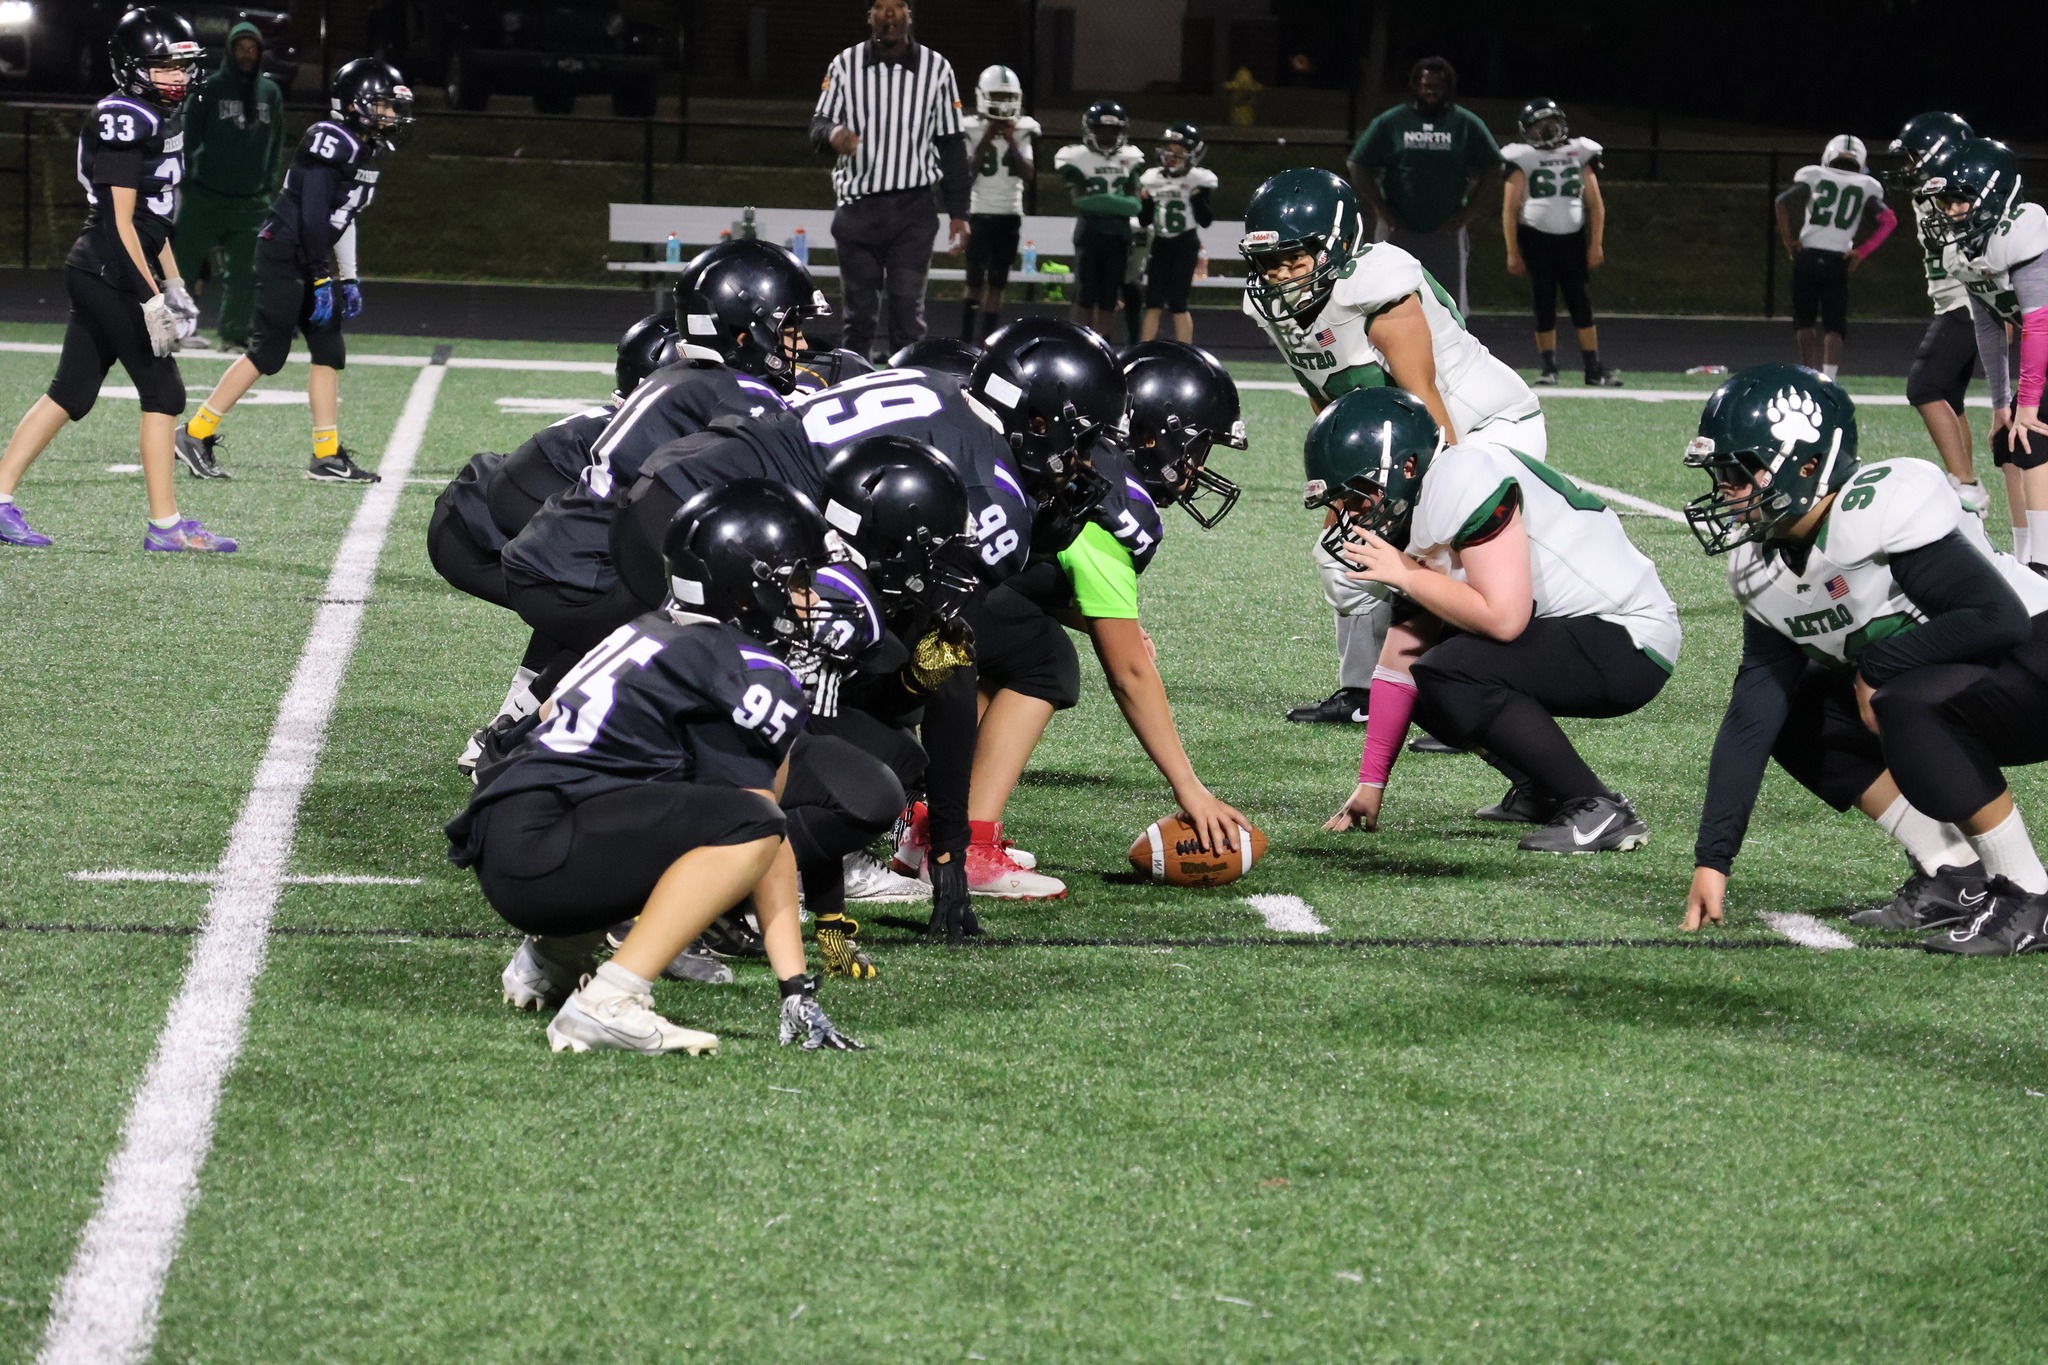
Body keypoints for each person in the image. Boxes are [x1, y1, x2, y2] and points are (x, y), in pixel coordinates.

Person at [450, 480, 865, 1053]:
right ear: (751, 587)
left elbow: (548, 720)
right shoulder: (746, 669)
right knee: (747, 822)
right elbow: (764, 826)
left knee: (681, 797)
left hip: (509, 830)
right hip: (547, 852)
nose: (810, 600)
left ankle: (553, 957)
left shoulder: (647, 629)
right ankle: (611, 1000)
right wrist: (793, 984)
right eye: (797, 583)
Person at [1678, 364, 2048, 955]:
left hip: (2032, 656)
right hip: (1959, 688)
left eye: (1738, 472)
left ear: (1806, 465)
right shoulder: (1759, 567)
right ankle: (1950, 871)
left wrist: (1877, 670)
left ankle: (2030, 895)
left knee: (1903, 697)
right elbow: (1753, 711)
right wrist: (1713, 858)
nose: (1725, 490)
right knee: (1793, 713)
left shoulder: (1879, 506)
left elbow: (1994, 618)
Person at [1237, 167, 1544, 726]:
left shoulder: (1379, 286)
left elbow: (1426, 401)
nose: (1281, 277)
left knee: (1446, 551)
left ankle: (1473, 695)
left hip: (1482, 425)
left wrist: (1431, 511)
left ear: (1340, 246)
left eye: (1296, 260)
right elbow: (1329, 398)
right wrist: (1342, 492)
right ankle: (1363, 691)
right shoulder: (1276, 307)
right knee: (1346, 549)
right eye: (1269, 263)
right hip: (1400, 433)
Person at [1310, 387, 1678, 851]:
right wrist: (1371, 784)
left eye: (1357, 496)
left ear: (1405, 467)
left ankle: (1597, 806)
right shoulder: (1421, 501)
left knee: (1449, 669)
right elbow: (1400, 661)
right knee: (1425, 676)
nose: (1348, 515)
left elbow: (1505, 619)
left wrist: (1405, 573)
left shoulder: (1462, 477)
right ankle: (1543, 788)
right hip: (1583, 632)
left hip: (1628, 638)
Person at [0, 8, 235, 554]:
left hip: (108, 266)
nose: (177, 77)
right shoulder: (124, 117)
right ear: (132, 67)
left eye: (181, 66)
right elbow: (119, 222)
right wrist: (152, 295)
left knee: (72, 391)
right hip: (109, 269)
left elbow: (156, 218)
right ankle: (166, 526)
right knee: (164, 390)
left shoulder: (159, 114)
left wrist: (174, 279)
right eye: (162, 67)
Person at [428, 314, 680, 774]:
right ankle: (508, 736)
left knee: (592, 590)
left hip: (478, 517)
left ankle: (513, 718)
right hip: (479, 534)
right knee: (633, 606)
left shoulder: (642, 420)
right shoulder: (658, 435)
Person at [175, 58, 414, 484]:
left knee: (329, 351)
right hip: (286, 252)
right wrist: (322, 275)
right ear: (356, 104)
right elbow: (312, 214)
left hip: (313, 255)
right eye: (381, 105)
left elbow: (343, 216)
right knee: (268, 352)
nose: (390, 115)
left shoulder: (366, 148)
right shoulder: (330, 139)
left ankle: (326, 455)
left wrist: (350, 275)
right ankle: (195, 433)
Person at [810, 0, 970, 359]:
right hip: (858, 209)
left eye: (898, 6)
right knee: (859, 319)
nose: (889, 15)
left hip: (912, 209)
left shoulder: (937, 68)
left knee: (907, 315)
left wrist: (959, 212)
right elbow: (817, 125)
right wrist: (834, 134)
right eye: (880, 6)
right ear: (869, 15)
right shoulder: (844, 64)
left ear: (910, 15)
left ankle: (909, 398)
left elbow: (951, 144)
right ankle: (852, 398)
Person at [1919, 138, 2048, 572]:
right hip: (2041, 344)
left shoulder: (2025, 230)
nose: (1952, 211)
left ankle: (2044, 564)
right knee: (2008, 442)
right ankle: (2024, 557)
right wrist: (2001, 406)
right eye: (1948, 202)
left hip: (2044, 335)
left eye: (1961, 200)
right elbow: (1990, 326)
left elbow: (2038, 323)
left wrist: (2027, 405)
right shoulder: (1964, 252)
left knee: (2033, 436)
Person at [1346, 57, 1499, 316]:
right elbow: (1357, 164)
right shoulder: (1392, 121)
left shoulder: (1465, 123)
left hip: (1445, 228)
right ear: (1415, 86)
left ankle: (1449, 356)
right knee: (1387, 301)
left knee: (1448, 306)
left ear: (1448, 88)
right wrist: (1380, 208)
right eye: (1426, 85)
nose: (1431, 92)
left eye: (1438, 87)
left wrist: (1468, 212)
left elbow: (1494, 167)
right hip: (1398, 227)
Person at [1889, 112, 1986, 519]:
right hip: (1954, 302)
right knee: (1948, 396)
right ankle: (1969, 485)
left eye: (1913, 158)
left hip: (1969, 301)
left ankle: (1964, 486)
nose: (1907, 168)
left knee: (1924, 386)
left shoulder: (1966, 191)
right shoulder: (1927, 194)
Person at [172, 19, 285, 353]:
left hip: (251, 202)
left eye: (252, 49)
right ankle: (174, 331)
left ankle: (234, 334)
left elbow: (276, 143)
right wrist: (189, 179)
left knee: (246, 274)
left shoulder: (270, 93)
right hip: (204, 196)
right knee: (182, 266)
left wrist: (269, 185)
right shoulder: (208, 89)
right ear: (230, 51)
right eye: (241, 48)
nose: (247, 54)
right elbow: (187, 137)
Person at [1499, 98, 1619, 387]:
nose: (1547, 131)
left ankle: (1593, 367)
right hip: (1536, 239)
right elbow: (1510, 207)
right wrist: (1512, 250)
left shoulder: (1579, 152)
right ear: (1527, 130)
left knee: (1581, 303)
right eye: (1539, 126)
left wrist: (1596, 243)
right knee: (1544, 302)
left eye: (1551, 124)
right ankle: (1549, 367)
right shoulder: (1522, 156)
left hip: (1572, 239)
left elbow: (1595, 204)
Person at [1775, 135, 1894, 380]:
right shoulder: (1867, 185)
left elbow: (1782, 201)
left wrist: (1788, 240)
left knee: (1804, 321)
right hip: (1837, 259)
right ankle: (1829, 379)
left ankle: (1809, 374)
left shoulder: (1814, 175)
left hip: (1807, 255)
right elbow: (1889, 221)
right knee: (1834, 325)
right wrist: (1862, 252)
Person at [959, 64, 1038, 344]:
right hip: (980, 212)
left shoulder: (1022, 130)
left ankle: (986, 341)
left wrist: (1010, 140)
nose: (1003, 104)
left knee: (997, 283)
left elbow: (1028, 174)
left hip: (1009, 213)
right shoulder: (971, 128)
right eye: (997, 96)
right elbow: (968, 173)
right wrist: (990, 135)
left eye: (1007, 98)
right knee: (973, 281)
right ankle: (966, 339)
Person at [1054, 101, 1145, 340]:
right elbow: (1080, 200)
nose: (1106, 136)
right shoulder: (1077, 157)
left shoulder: (1130, 158)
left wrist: (1099, 201)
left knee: (1109, 297)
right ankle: (1080, 342)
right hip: (1090, 233)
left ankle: (1102, 345)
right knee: (1085, 294)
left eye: (1112, 131)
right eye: (1101, 130)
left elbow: (1135, 204)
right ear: (1090, 130)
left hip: (1117, 237)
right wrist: (1117, 204)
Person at [1138, 123, 1217, 343]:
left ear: (1193, 154)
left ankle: (1186, 351)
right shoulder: (1152, 178)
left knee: (1178, 303)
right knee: (1152, 301)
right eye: (1170, 150)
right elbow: (1145, 220)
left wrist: (1197, 199)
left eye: (1180, 151)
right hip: (1161, 244)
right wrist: (1146, 203)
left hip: (1185, 244)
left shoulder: (1198, 179)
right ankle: (1144, 349)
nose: (1173, 156)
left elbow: (1206, 220)